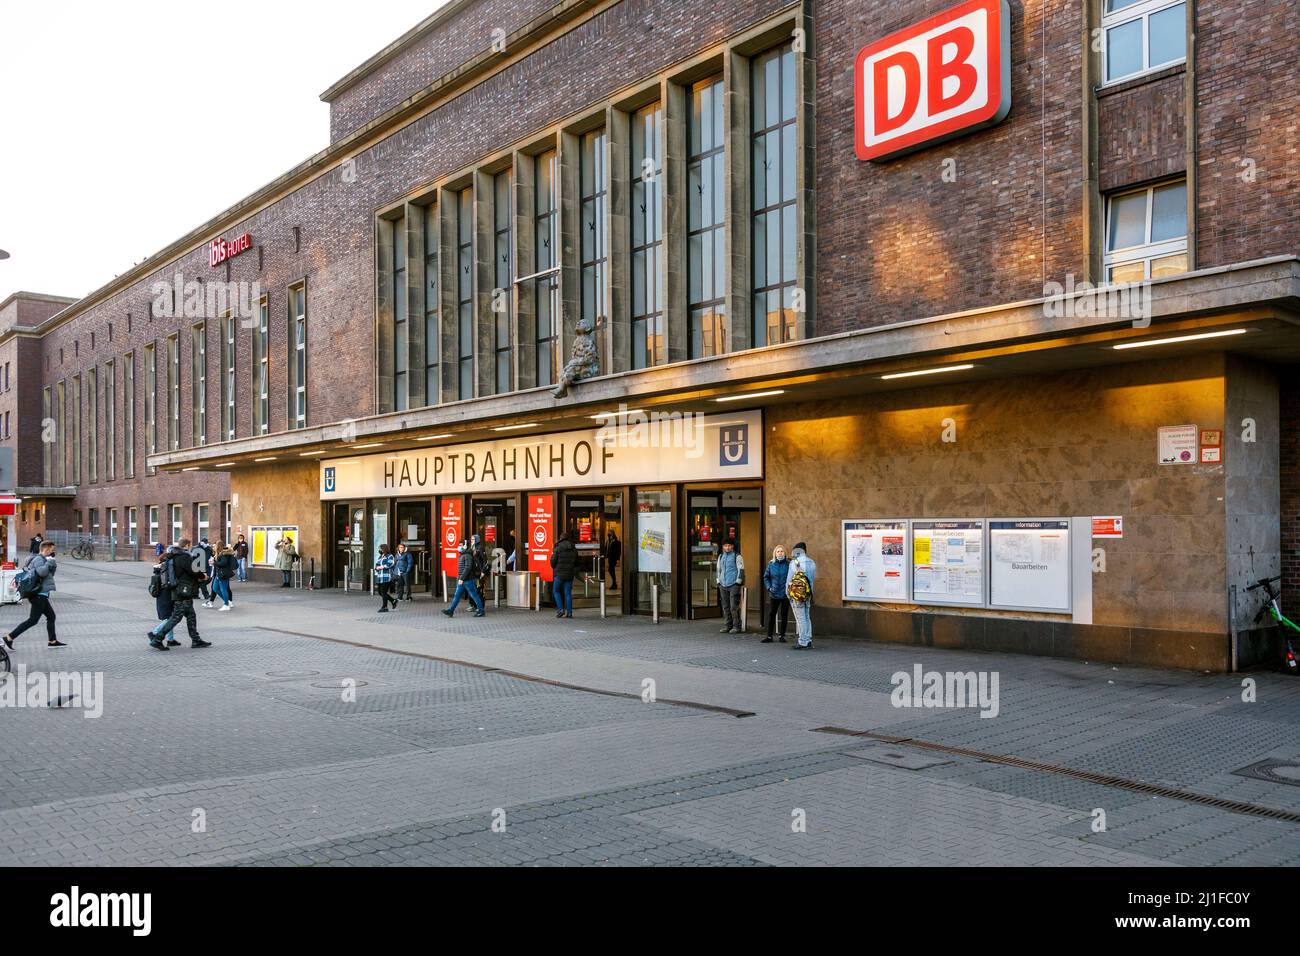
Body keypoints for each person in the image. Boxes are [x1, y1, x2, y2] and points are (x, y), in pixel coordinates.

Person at [148, 538, 212, 651]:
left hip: (181, 590)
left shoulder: (173, 556)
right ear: (187, 546)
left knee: (191, 616)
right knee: (175, 618)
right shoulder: (183, 557)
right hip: (183, 591)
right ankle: (157, 639)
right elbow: (193, 571)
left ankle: (196, 640)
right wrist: (203, 576)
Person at [4, 540, 65, 649]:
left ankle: (52, 641)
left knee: (51, 616)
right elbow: (42, 572)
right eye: (51, 550)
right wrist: (49, 562)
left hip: (42, 594)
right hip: (38, 594)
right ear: (45, 549)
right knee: (33, 620)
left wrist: (52, 564)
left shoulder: (44, 559)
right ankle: (9, 637)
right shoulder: (38, 559)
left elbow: (49, 575)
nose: (52, 552)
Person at [441, 540, 485, 618]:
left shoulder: (467, 555)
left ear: (465, 546)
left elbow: (467, 568)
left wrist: (461, 578)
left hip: (468, 580)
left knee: (474, 595)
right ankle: (451, 611)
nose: (459, 547)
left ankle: (481, 610)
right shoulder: (464, 554)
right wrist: (461, 578)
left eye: (461, 545)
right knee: (457, 596)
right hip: (463, 579)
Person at [786, 542, 818, 650]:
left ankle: (803, 641)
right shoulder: (812, 562)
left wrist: (788, 594)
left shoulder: (794, 563)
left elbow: (789, 581)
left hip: (797, 595)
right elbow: (812, 581)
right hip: (808, 595)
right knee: (807, 616)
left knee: (800, 619)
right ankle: (808, 640)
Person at [715, 539, 746, 634]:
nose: (727, 547)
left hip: (733, 585)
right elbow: (718, 569)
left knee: (734, 607)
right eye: (725, 545)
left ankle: (737, 626)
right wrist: (718, 581)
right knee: (726, 606)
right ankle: (727, 625)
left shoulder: (737, 556)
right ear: (723, 547)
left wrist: (738, 582)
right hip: (722, 584)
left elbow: (741, 569)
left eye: (729, 545)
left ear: (732, 546)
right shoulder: (721, 556)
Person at [762, 545, 791, 644]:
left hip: (785, 594)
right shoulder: (771, 564)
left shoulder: (789, 564)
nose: (780, 553)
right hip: (774, 594)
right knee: (772, 615)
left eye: (782, 551)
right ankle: (769, 636)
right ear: (775, 553)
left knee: (784, 615)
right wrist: (769, 587)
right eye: (778, 551)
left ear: (785, 553)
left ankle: (782, 636)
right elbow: (766, 577)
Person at [550, 532, 577, 619]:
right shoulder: (573, 548)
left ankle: (561, 610)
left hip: (559, 574)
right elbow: (577, 561)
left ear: (560, 538)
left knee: (556, 591)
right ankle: (569, 613)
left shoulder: (557, 547)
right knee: (568, 593)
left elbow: (552, 563)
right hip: (569, 574)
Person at [211, 542, 237, 611]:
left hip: (223, 574)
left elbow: (223, 563)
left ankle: (226, 605)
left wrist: (214, 563)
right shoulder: (220, 553)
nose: (214, 547)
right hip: (219, 573)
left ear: (218, 546)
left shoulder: (224, 553)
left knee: (223, 589)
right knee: (215, 588)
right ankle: (227, 601)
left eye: (216, 545)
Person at [374, 544, 398, 612]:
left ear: (384, 549)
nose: (379, 550)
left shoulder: (390, 556)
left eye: (380, 549)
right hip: (380, 577)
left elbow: (390, 564)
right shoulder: (380, 556)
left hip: (386, 577)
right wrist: (376, 568)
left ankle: (385, 607)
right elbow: (377, 565)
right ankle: (393, 601)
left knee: (384, 592)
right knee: (380, 592)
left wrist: (381, 567)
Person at [198, 537, 216, 608]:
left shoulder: (208, 548)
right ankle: (206, 595)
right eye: (203, 542)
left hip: (208, 566)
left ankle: (196, 589)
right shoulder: (199, 548)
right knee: (202, 581)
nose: (204, 544)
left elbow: (213, 555)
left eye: (205, 543)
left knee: (209, 579)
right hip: (200, 567)